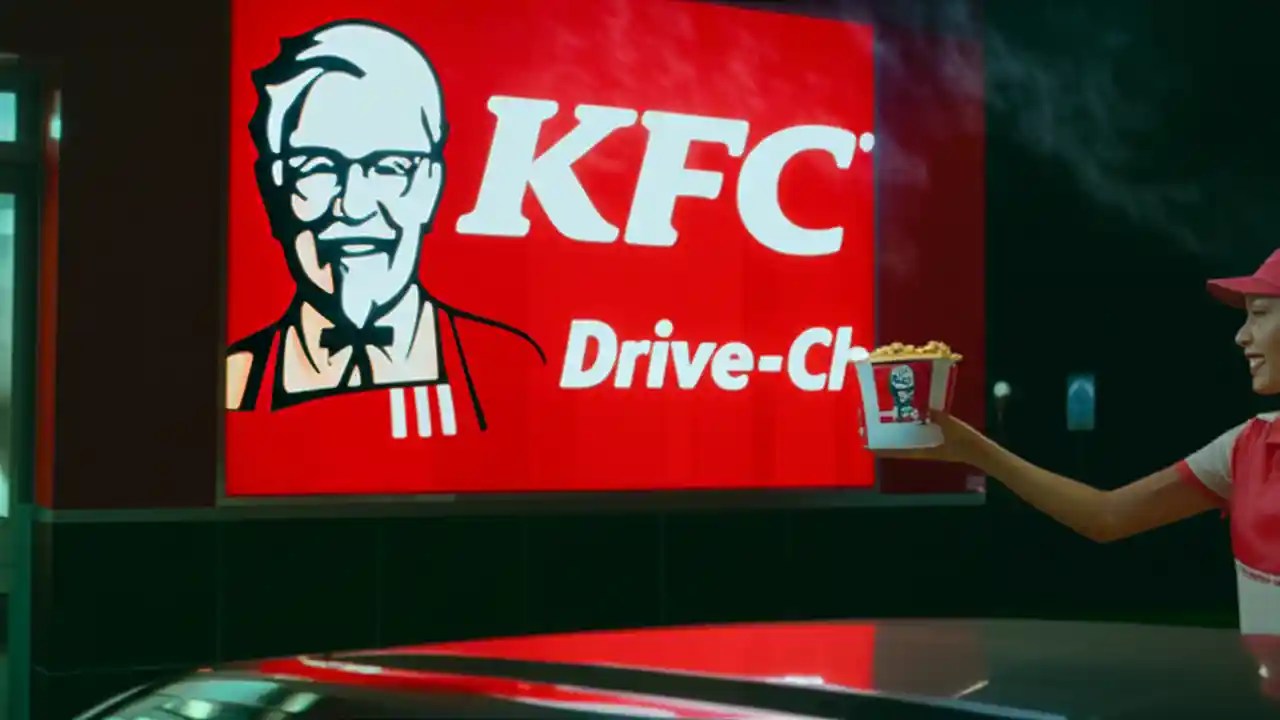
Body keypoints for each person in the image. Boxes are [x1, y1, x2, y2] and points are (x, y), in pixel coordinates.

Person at [881, 249, 1280, 636]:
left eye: (1259, 315)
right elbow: (1107, 516)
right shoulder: (1247, 446)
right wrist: (971, 448)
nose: (1241, 336)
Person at [225, 20, 543, 427]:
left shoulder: (507, 365)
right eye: (319, 167)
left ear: (431, 186)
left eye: (389, 167)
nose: (354, 205)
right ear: (274, 191)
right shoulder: (236, 381)